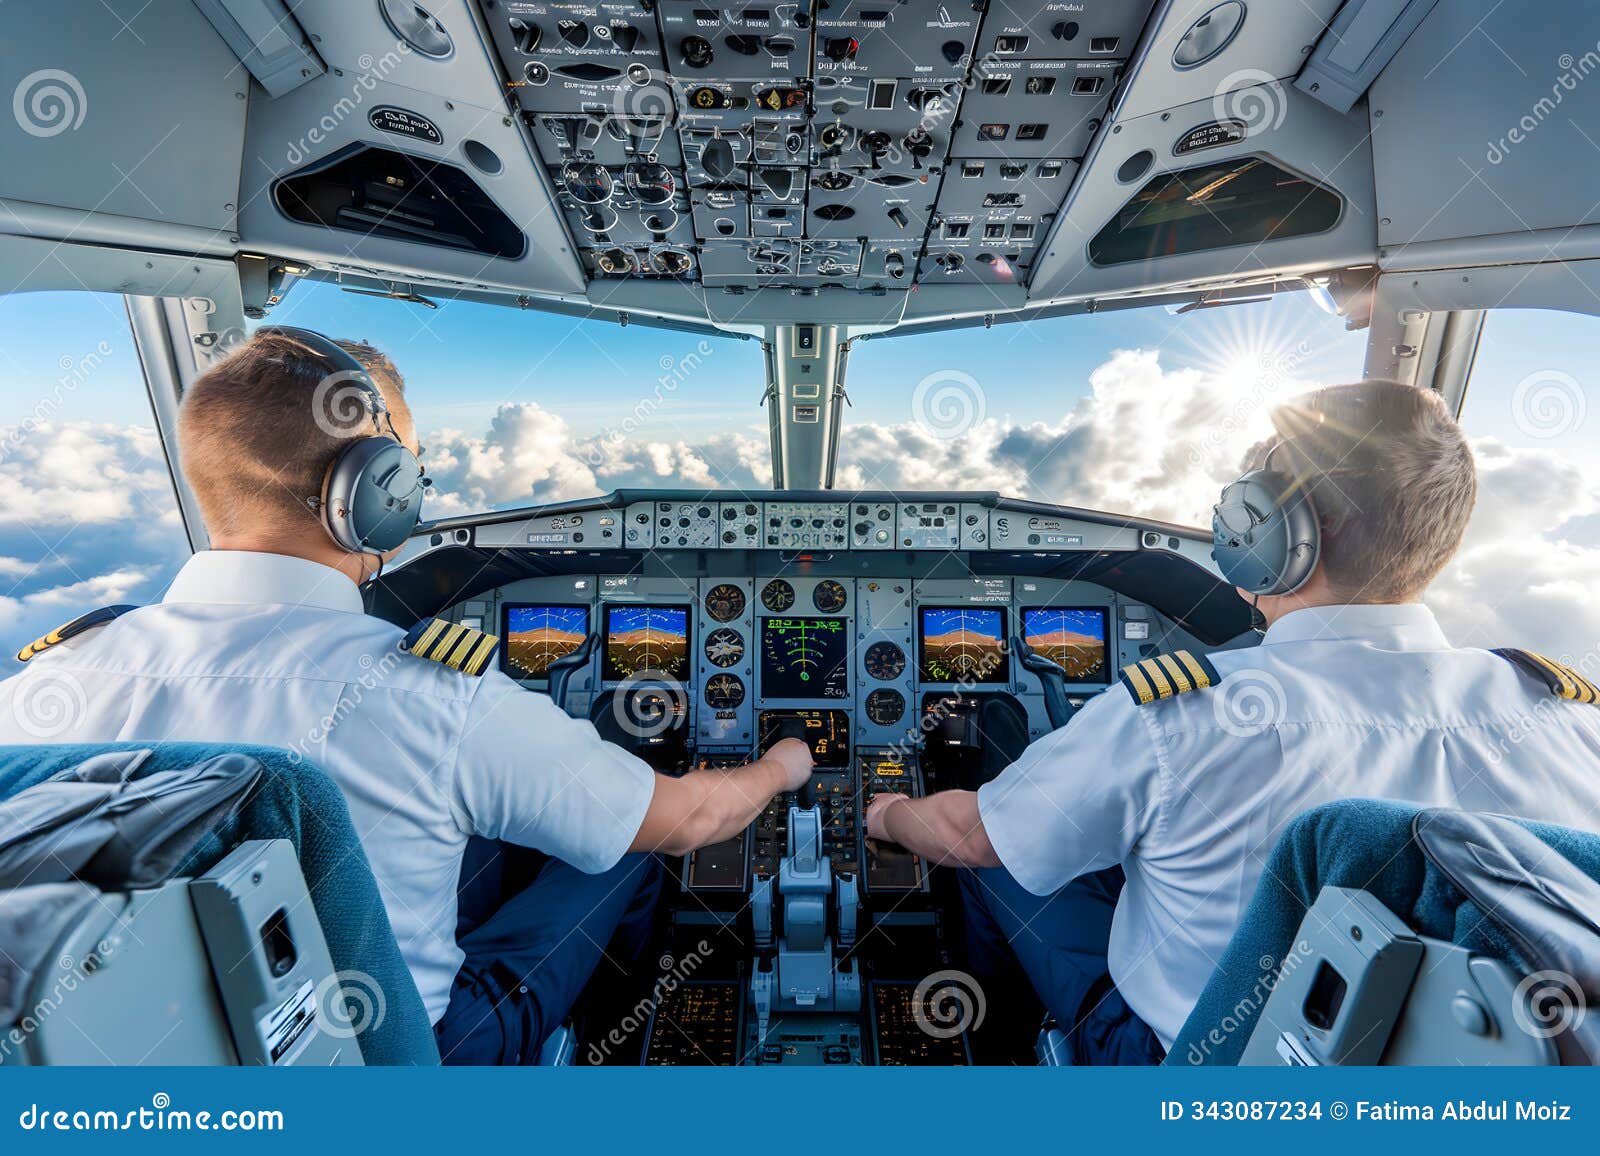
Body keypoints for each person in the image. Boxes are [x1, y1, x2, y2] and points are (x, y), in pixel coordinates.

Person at [0, 330, 813, 1064]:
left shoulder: (40, 687)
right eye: (411, 469)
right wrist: (782, 766)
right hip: (413, 1057)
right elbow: (690, 822)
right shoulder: (431, 695)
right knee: (626, 849)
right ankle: (602, 1041)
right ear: (373, 494)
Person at [865, 379, 1600, 1064]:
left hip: (1186, 1063)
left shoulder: (1181, 713)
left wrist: (892, 813)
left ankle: (996, 1058)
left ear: (1278, 534)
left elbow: (972, 836)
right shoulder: (1573, 721)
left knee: (999, 861)